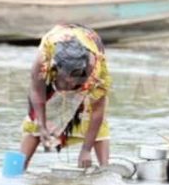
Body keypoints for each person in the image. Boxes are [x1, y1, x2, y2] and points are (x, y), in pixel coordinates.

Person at [21, 24, 112, 170]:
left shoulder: (97, 72)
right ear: (56, 69)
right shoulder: (44, 59)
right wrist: (43, 126)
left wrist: (86, 150)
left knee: (90, 114)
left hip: (89, 49)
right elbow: (36, 90)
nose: (70, 82)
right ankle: (18, 169)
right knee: (36, 122)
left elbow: (97, 112)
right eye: (65, 77)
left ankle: (106, 171)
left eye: (75, 76)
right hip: (58, 42)